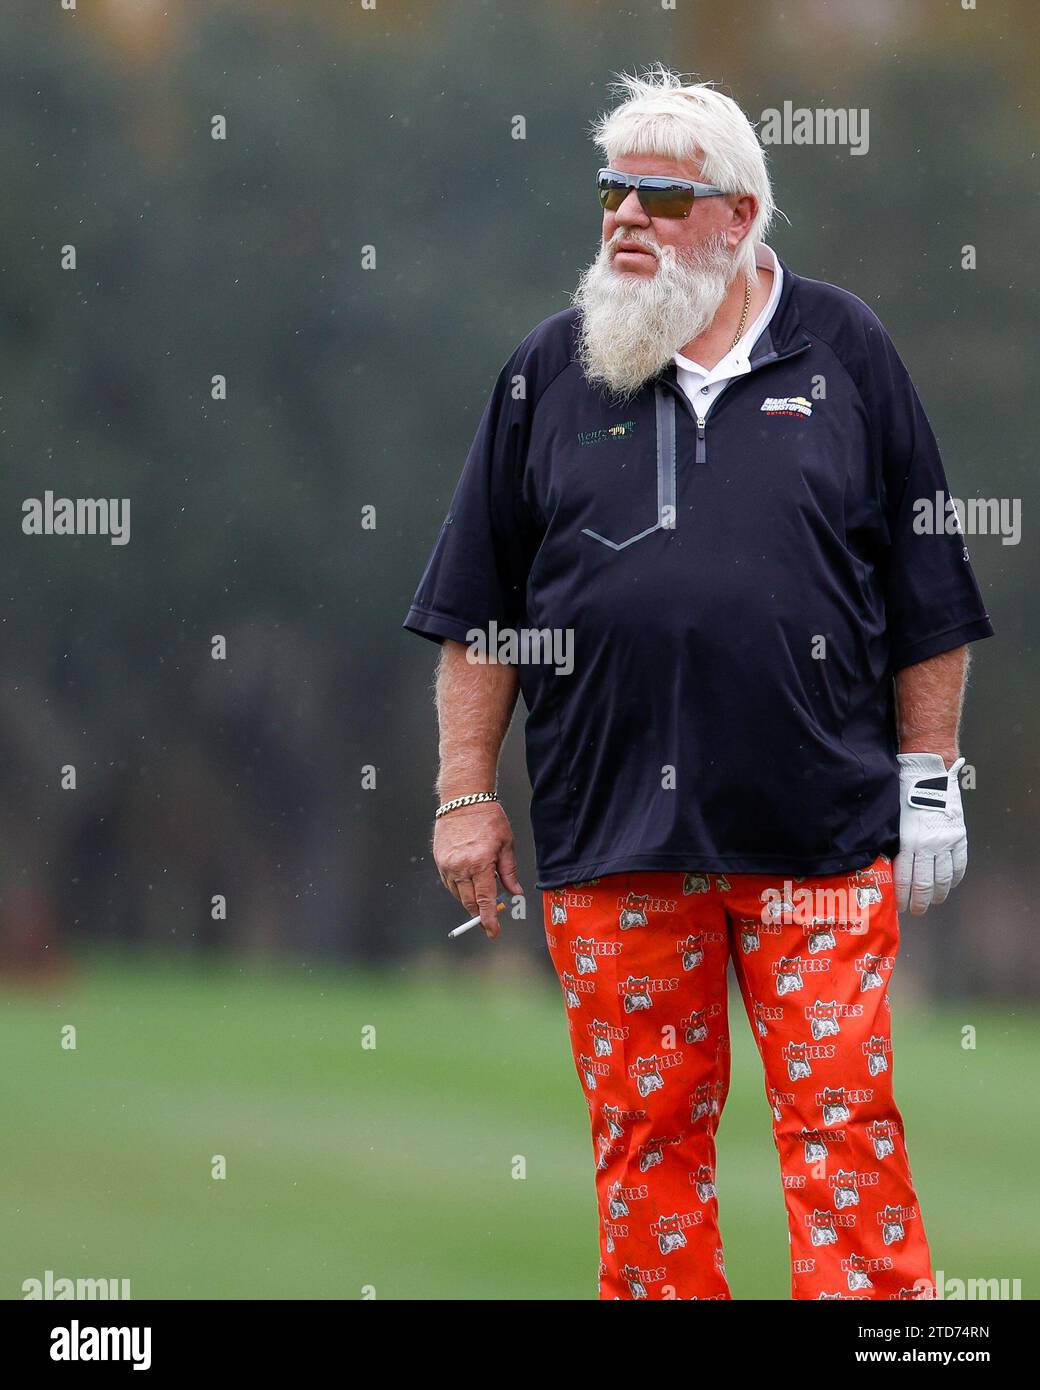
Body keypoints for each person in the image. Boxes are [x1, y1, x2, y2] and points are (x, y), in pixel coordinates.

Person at [402, 67, 994, 1300]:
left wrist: (928, 781)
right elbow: (477, 611)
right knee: (646, 1156)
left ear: (738, 216)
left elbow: (929, 591)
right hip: (613, 844)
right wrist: (464, 792)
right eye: (611, 190)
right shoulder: (546, 375)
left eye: (658, 198)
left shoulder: (847, 351)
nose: (622, 215)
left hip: (820, 841)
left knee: (843, 1137)